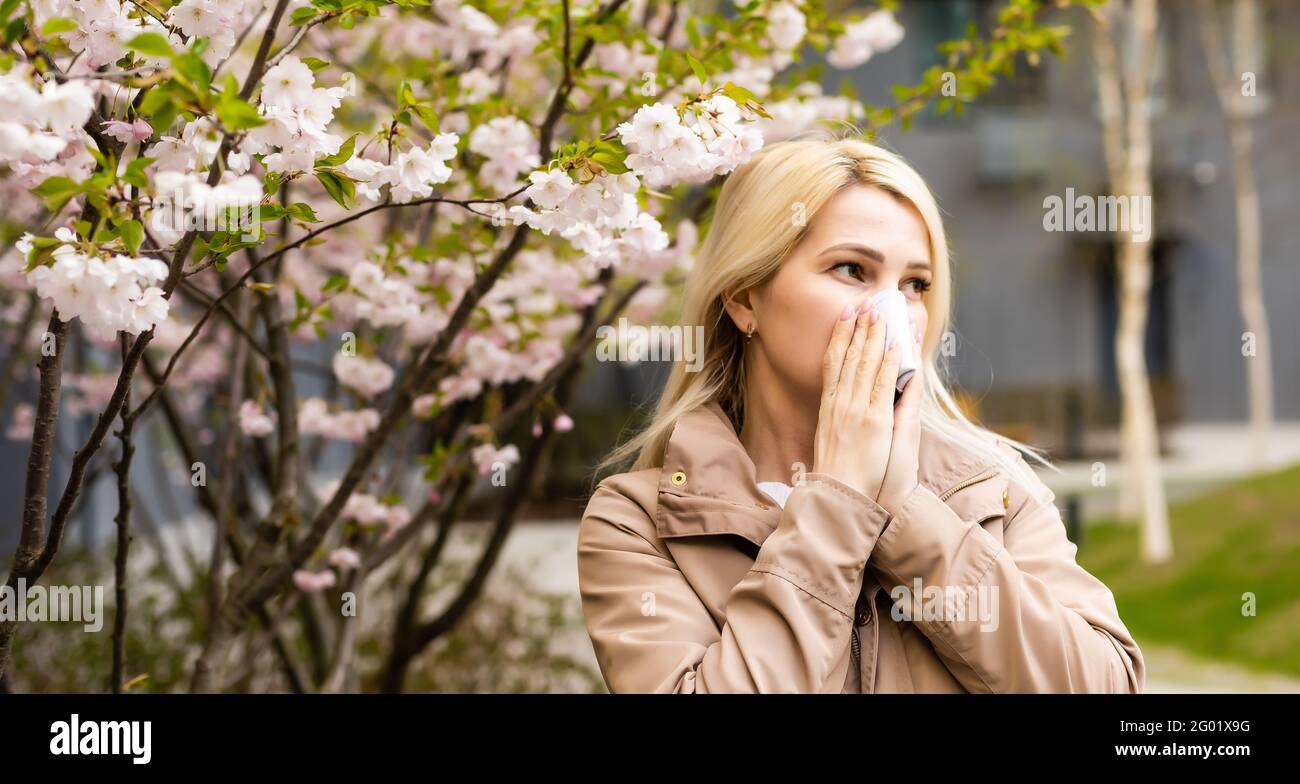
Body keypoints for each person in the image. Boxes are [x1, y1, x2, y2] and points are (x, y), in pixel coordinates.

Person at [577, 133, 1145, 694]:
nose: (893, 310)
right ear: (745, 298)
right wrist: (838, 500)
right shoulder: (638, 523)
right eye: (852, 269)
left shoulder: (992, 489)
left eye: (915, 284)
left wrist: (909, 519)